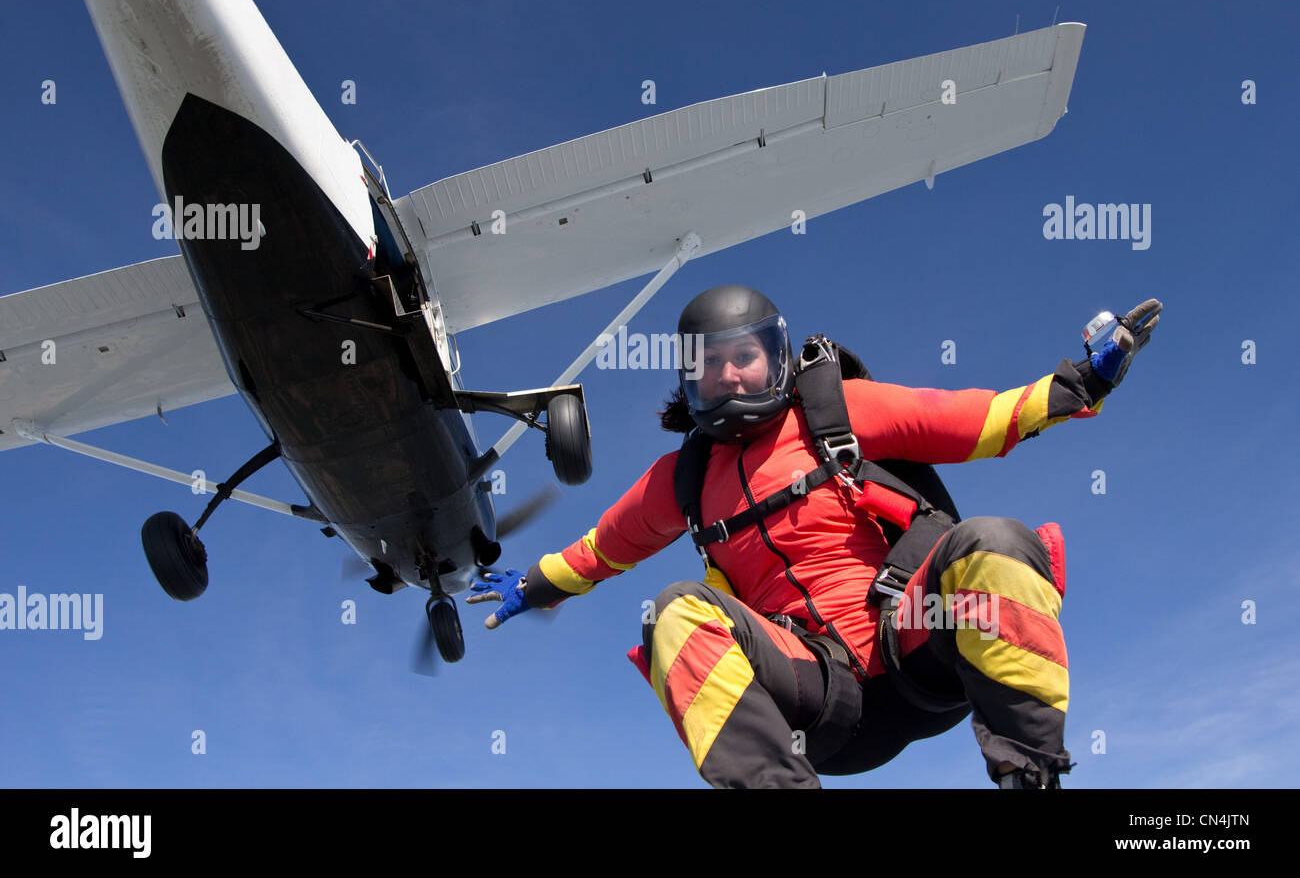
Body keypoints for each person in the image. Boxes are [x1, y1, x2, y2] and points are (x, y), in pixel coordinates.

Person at [468, 285, 1162, 788]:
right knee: (675, 614)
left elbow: (977, 420)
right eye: (713, 363)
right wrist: (533, 585)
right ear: (690, 381)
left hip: (912, 641)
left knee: (994, 541)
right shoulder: (680, 480)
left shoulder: (837, 411)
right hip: (821, 697)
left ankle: (1031, 773)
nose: (731, 373)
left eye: (746, 356)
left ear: (776, 360)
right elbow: (603, 549)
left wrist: (1082, 382)